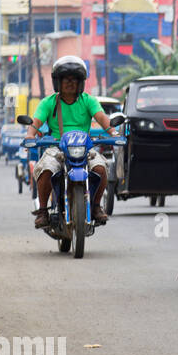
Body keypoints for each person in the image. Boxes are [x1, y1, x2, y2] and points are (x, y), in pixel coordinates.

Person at [28, 56, 118, 229]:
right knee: (46, 169)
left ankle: (96, 205)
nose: (70, 83)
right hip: (56, 148)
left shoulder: (88, 100)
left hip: (84, 148)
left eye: (74, 79)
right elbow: (35, 123)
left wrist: (113, 132)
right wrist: (30, 135)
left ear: (81, 82)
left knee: (101, 167)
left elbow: (102, 118)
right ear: (58, 82)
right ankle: (43, 211)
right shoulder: (48, 102)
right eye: (66, 79)